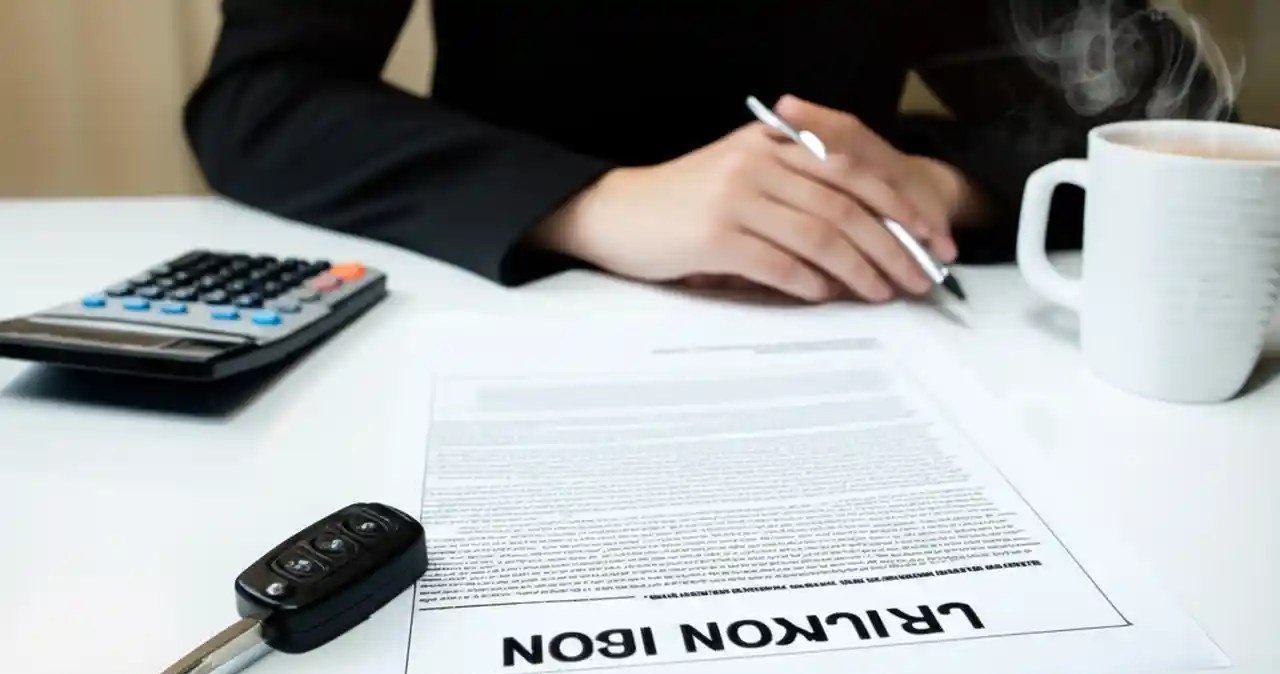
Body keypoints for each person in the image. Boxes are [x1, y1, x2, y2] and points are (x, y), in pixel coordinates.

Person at [184, 1, 1232, 303]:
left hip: (866, 313)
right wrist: (594, 202)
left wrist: (932, 184)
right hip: (505, 300)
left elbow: (1150, 105)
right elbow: (260, 97)